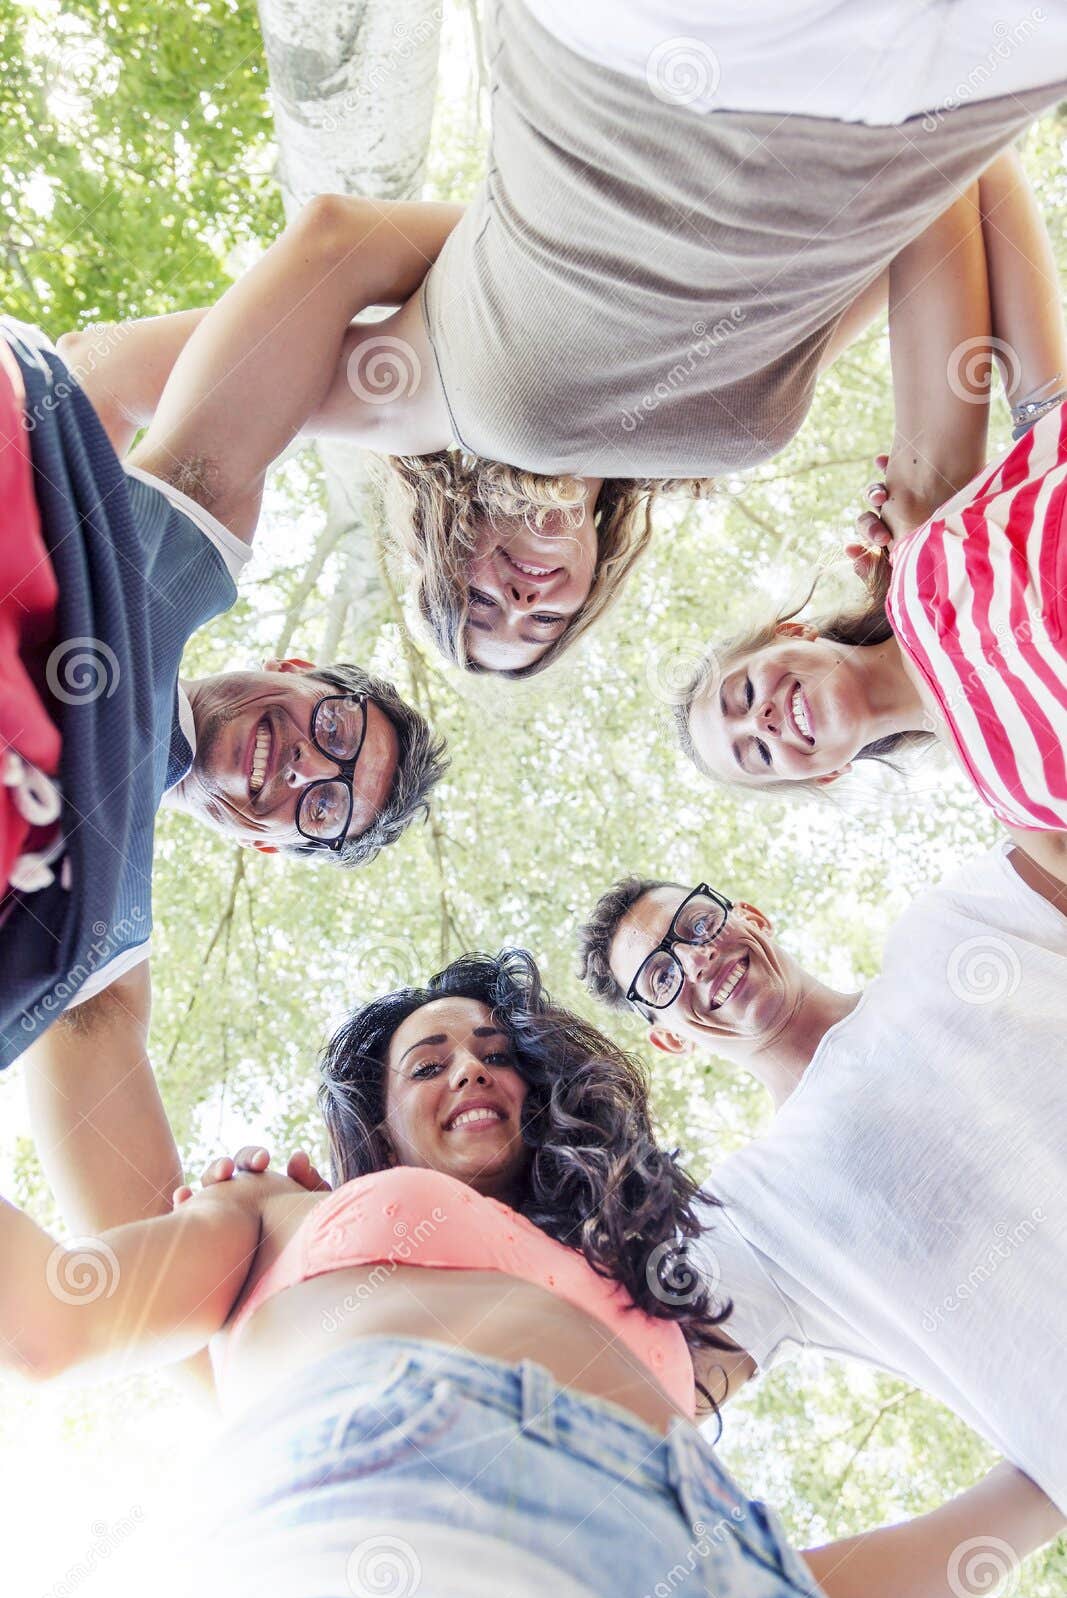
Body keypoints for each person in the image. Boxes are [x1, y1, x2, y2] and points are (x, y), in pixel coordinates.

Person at [3, 951, 1059, 1598]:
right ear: (375, 1123)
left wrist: (1034, 1487)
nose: (469, 1065)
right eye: (427, 1063)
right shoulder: (271, 1206)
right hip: (375, 1528)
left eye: (496, 1052)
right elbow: (53, 1319)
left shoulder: (652, 1306)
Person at [67, 12, 1067, 676]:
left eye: (476, 603)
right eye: (540, 623)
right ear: (596, 581)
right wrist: (949, 487)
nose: (519, 597)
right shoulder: (723, 426)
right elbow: (939, 204)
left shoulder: (411, 401)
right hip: (951, 73)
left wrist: (108, 605)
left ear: (439, 544)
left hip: (645, 52)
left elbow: (106, 371)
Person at [0, 195, 450, 1068]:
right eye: (336, 728)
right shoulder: (181, 551)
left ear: (260, 840)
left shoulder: (107, 935)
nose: (306, 765)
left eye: (323, 806)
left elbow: (136, 1205)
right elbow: (336, 243)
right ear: (295, 666)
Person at [578, 842, 1067, 1521]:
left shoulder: (951, 932)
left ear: (747, 914)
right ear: (668, 1040)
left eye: (693, 926)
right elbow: (641, 1404)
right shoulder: (749, 1221)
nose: (693, 960)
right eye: (659, 979)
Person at [675, 151, 1067, 893]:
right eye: (753, 754)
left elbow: (954, 173)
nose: (759, 722)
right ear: (824, 777)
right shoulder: (1023, 811)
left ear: (789, 636)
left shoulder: (918, 554)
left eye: (739, 695)